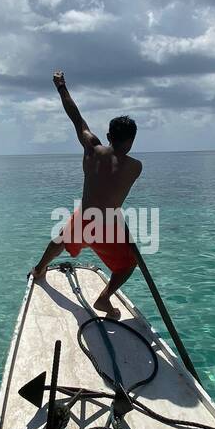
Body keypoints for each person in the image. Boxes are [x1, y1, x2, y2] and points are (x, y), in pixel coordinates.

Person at [31, 71, 142, 320]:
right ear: (132, 140)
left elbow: (76, 118)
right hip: (108, 223)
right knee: (128, 265)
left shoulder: (92, 150)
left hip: (86, 216)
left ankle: (39, 269)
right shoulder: (136, 166)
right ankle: (104, 298)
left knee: (59, 241)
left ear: (110, 135)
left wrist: (61, 86)